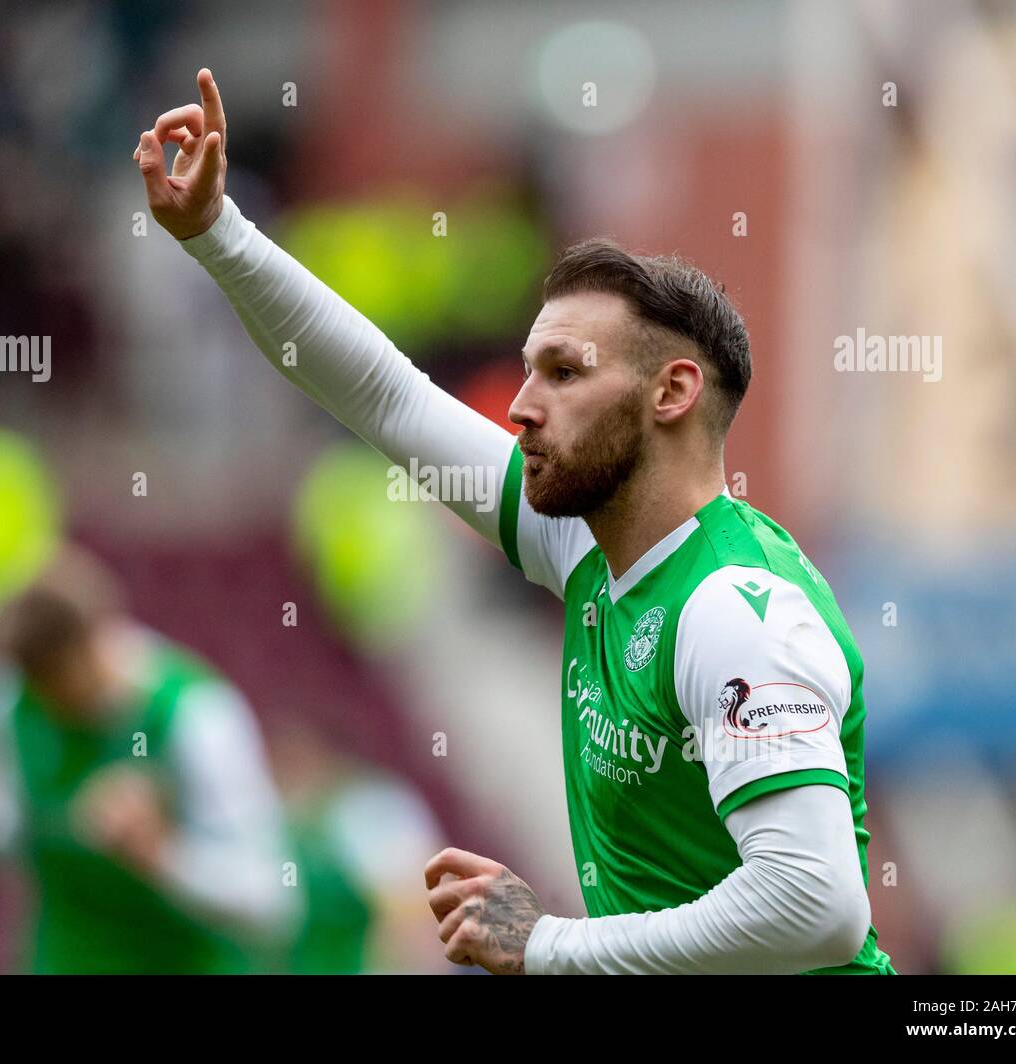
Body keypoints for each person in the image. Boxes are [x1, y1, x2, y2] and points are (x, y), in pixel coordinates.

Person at [132, 69, 895, 975]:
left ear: (673, 392)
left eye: (564, 373)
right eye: (527, 371)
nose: (521, 407)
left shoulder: (734, 610)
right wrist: (219, 235)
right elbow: (383, 393)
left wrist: (549, 945)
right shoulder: (587, 550)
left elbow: (819, 906)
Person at [0, 546, 299, 973]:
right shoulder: (3, 692)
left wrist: (158, 853)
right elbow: (21, 832)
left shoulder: (197, 719)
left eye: (57, 682)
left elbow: (272, 905)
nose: (49, 704)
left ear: (97, 642)